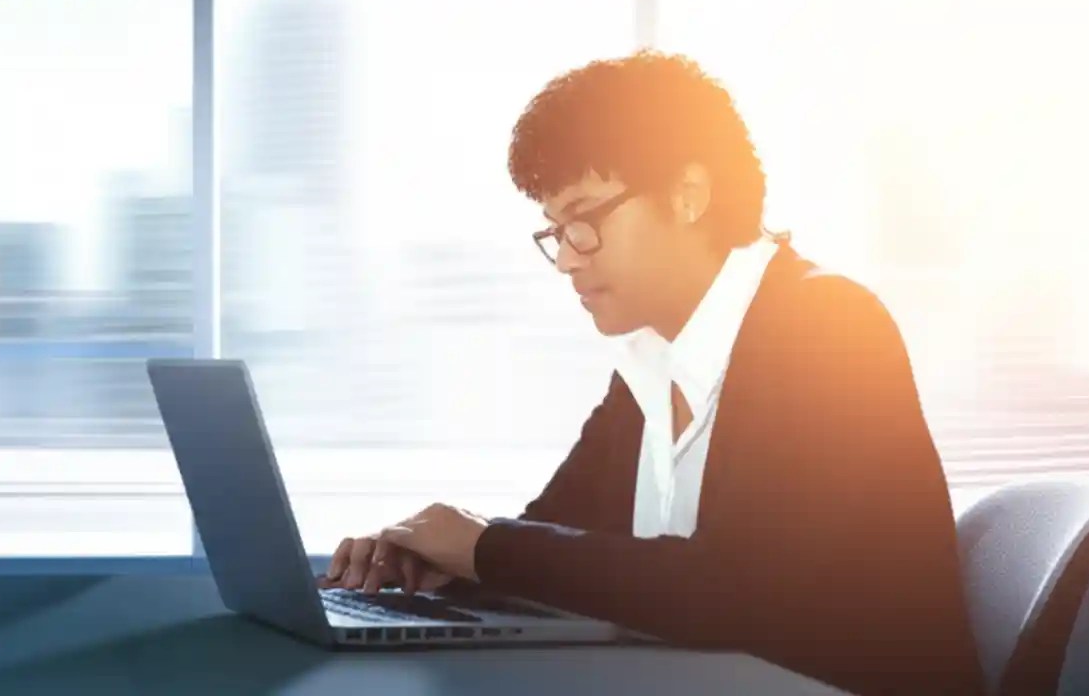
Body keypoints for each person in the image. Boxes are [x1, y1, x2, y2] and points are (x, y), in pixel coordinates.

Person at [318, 50, 984, 695]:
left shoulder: (829, 326)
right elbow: (558, 549)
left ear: (688, 194)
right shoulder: (651, 360)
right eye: (554, 231)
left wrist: (484, 546)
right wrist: (437, 567)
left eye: (583, 220)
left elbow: (739, 590)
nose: (568, 260)